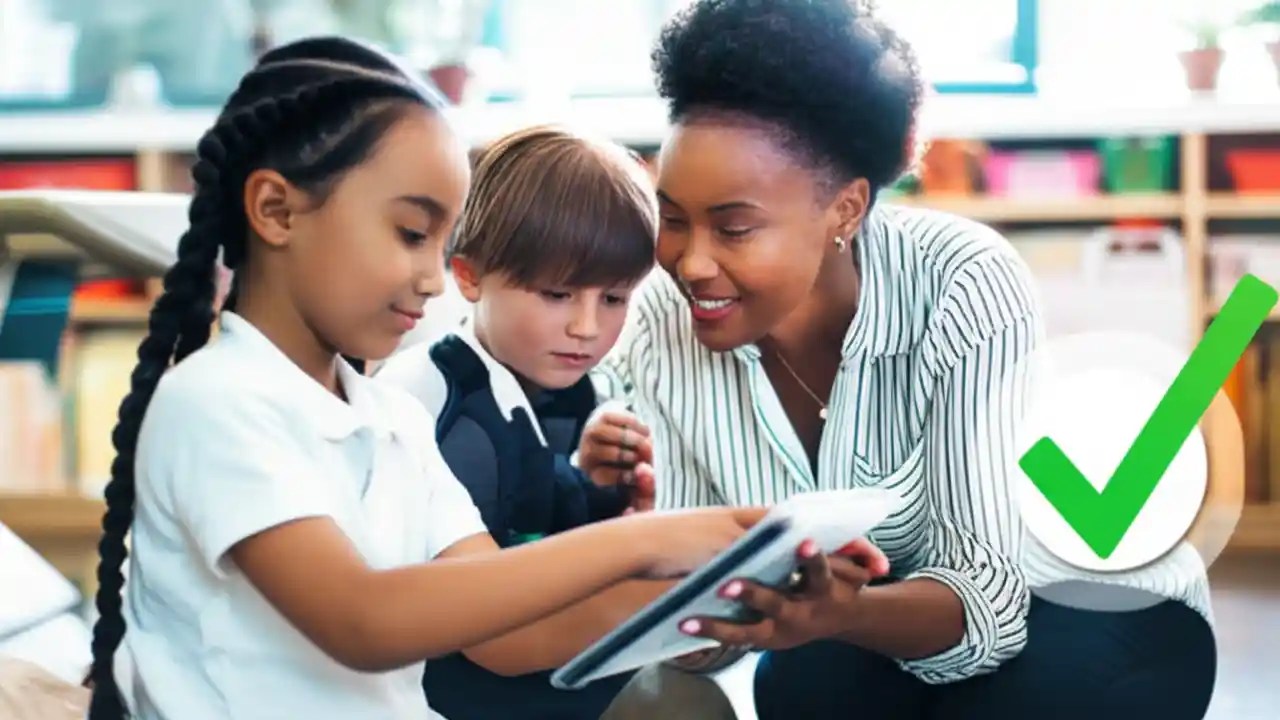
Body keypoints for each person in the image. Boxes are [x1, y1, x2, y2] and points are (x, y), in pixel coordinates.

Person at [81, 36, 792, 720]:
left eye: (441, 241)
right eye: (411, 234)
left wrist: (723, 591)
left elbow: (508, 637)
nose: (432, 279)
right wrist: (650, 542)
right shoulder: (215, 402)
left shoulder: (391, 420)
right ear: (276, 210)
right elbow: (363, 619)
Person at [579, 1, 1218, 718]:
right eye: (673, 218)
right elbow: (713, 628)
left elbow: (991, 601)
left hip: (1082, 605)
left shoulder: (961, 280)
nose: (689, 262)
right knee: (793, 687)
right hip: (876, 624)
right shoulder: (660, 325)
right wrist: (646, 565)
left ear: (846, 210)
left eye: (733, 227)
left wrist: (837, 617)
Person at [374, 125, 658, 719]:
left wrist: (591, 485)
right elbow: (476, 619)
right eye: (557, 295)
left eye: (613, 299)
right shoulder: (430, 405)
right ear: (469, 274)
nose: (586, 327)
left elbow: (533, 522)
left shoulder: (573, 385)